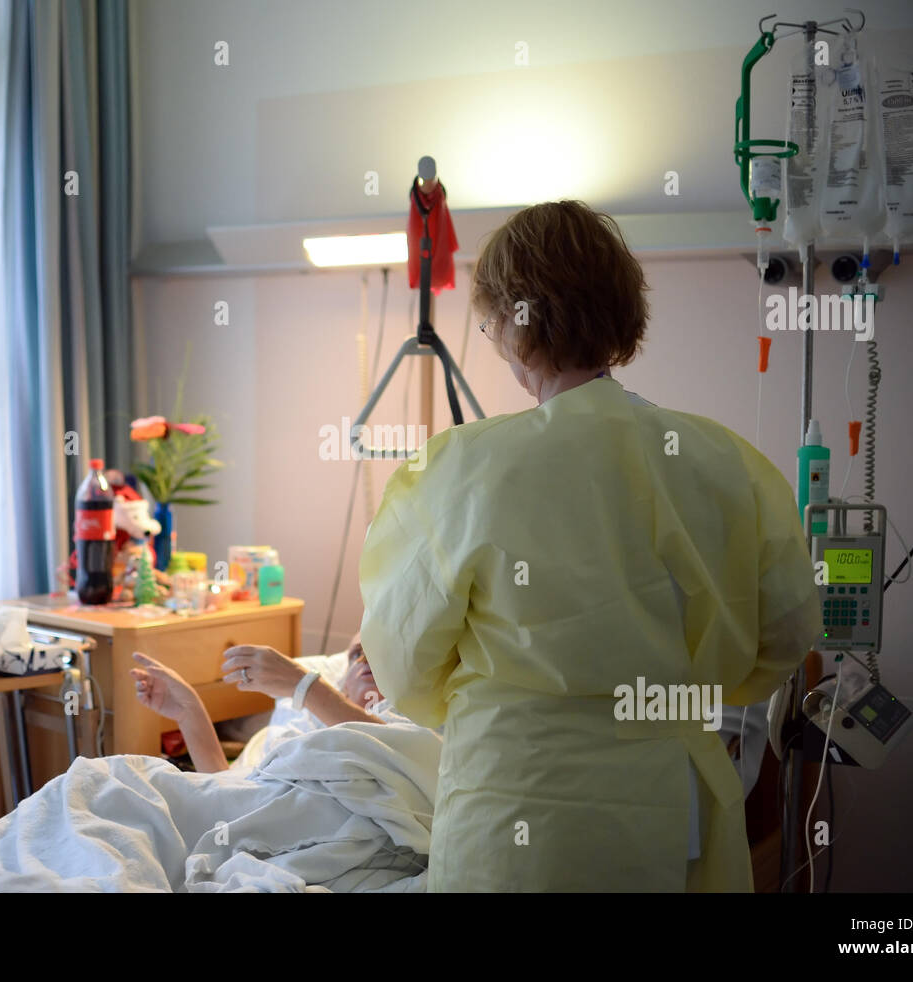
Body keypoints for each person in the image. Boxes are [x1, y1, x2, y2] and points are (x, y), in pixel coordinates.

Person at [358, 200, 822, 892]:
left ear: (514, 328)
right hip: (675, 806)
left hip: (516, 812)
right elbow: (785, 633)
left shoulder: (460, 471)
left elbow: (403, 658)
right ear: (621, 316)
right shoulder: (726, 464)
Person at [128, 633, 391, 773]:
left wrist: (302, 684)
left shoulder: (413, 726)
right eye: (357, 653)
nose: (365, 660)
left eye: (378, 649)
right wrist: (188, 711)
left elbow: (391, 751)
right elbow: (225, 793)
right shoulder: (298, 728)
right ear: (343, 684)